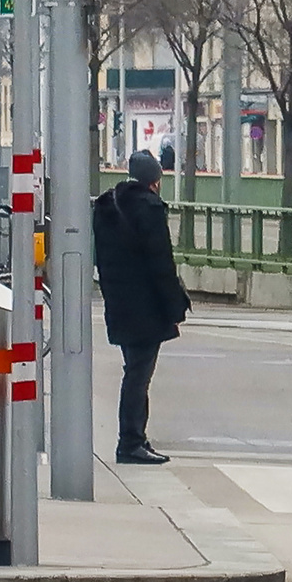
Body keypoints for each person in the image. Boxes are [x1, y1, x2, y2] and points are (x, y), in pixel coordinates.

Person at [92, 150, 190, 465]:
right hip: (145, 306)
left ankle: (135, 439)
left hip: (119, 302)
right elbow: (161, 263)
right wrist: (175, 306)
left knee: (134, 370)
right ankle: (131, 442)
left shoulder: (108, 207)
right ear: (155, 180)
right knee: (138, 376)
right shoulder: (149, 209)